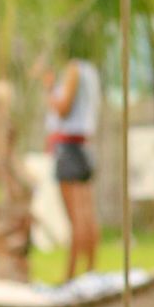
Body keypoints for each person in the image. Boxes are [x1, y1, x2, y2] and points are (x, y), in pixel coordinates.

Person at [44, 53, 102, 278]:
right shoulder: (91, 70)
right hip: (84, 148)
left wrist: (49, 88)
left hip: (69, 149)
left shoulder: (74, 68)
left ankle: (71, 277)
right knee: (87, 215)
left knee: (76, 219)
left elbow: (62, 107)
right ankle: (90, 271)